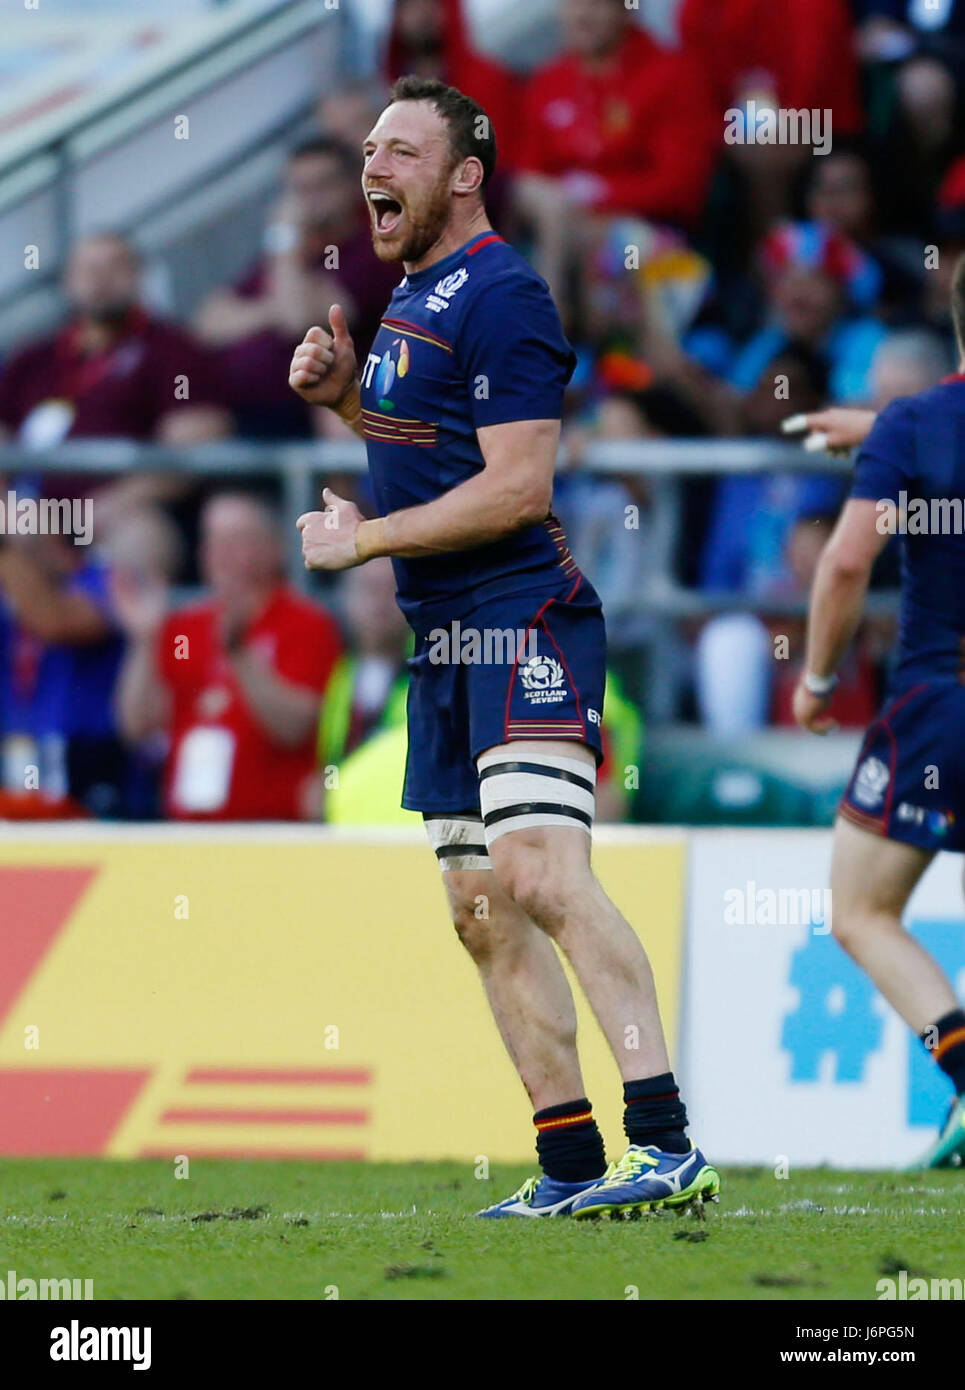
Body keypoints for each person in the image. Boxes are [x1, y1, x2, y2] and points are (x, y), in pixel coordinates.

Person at [289, 76, 719, 1218]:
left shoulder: (505, 293)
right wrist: (347, 404)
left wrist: (362, 539)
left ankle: (666, 1140)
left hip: (518, 615)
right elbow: (434, 450)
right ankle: (568, 1161)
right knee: (479, 904)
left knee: (537, 869)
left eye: (399, 149)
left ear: (464, 173)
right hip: (442, 639)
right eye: (368, 145)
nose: (372, 164)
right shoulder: (409, 302)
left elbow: (517, 486)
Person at [792, 253, 965, 1167]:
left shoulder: (917, 424)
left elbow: (849, 561)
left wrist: (817, 679)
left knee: (861, 911)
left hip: (942, 702)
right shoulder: (905, 427)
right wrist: (879, 430)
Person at [115, 492, 341, 821]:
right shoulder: (184, 630)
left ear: (274, 549)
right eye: (213, 539)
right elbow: (138, 727)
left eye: (237, 540)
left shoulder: (306, 624)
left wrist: (239, 655)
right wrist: (145, 640)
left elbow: (296, 728)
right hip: (188, 832)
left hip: (273, 831)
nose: (221, 553)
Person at [195, 138, 399, 438]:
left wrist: (286, 236)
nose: (309, 198)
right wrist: (278, 306)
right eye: (299, 188)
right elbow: (208, 323)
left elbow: (298, 321)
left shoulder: (373, 250)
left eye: (322, 185)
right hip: (246, 413)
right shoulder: (293, 254)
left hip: (319, 411)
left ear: (355, 186)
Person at [0, 232, 230, 450]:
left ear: (139, 274)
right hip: (27, 491)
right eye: (89, 270)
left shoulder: (176, 354)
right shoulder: (31, 360)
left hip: (122, 490)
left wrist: (101, 495)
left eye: (116, 266)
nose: (102, 280)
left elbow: (185, 454)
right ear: (68, 281)